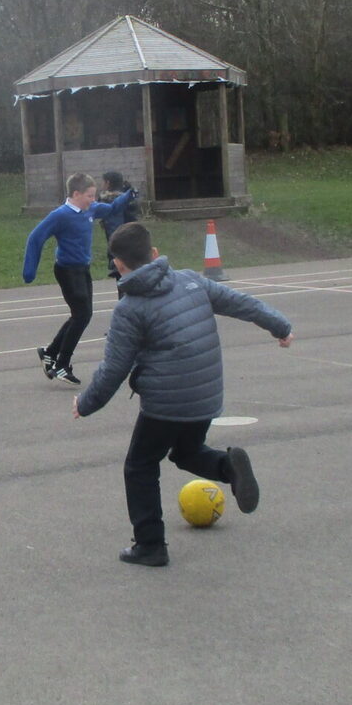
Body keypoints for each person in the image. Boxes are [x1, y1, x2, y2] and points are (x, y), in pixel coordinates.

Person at [72, 222, 292, 567]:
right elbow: (240, 303)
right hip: (206, 395)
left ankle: (150, 545)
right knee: (186, 452)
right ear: (154, 254)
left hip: (166, 401)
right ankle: (228, 468)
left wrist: (84, 404)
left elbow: (113, 370)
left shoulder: (129, 309)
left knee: (140, 466)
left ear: (118, 264)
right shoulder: (191, 280)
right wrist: (281, 326)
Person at [22, 172, 116, 384]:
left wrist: (126, 196)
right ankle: (61, 364)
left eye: (95, 196)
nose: (94, 200)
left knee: (83, 314)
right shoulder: (60, 215)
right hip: (67, 271)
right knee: (81, 315)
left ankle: (50, 352)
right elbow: (36, 238)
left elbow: (110, 209)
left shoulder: (89, 209)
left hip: (83, 269)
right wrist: (29, 271)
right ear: (76, 193)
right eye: (90, 195)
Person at [96, 169, 140, 279]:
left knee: (123, 279)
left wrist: (113, 250)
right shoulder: (128, 198)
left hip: (119, 245)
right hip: (133, 240)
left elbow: (114, 227)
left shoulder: (110, 202)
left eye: (103, 182)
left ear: (108, 183)